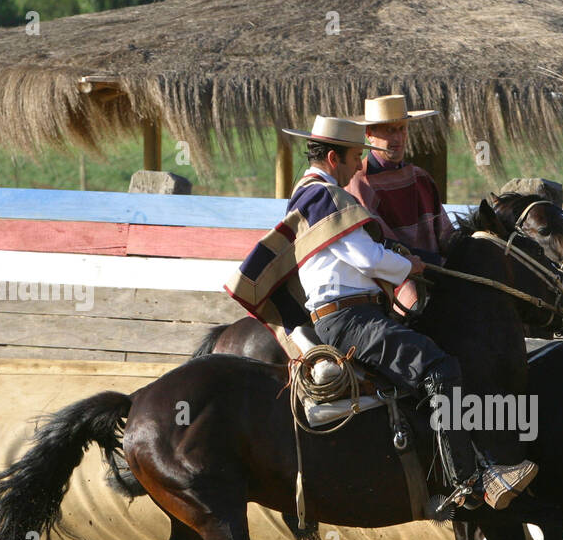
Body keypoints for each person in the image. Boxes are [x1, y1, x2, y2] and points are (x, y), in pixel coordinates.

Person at [224, 115, 535, 511]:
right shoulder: (325, 197)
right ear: (334, 157)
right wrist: (410, 267)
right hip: (351, 320)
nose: (359, 166)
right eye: (355, 157)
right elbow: (366, 257)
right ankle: (465, 480)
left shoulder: (310, 194)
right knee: (440, 368)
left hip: (346, 316)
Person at [345, 94, 455, 264]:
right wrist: (428, 262)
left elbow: (447, 236)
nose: (398, 138)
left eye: (402, 128)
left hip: (436, 273)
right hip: (388, 277)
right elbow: (376, 245)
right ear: (369, 134)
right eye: (390, 130)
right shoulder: (360, 182)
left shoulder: (421, 178)